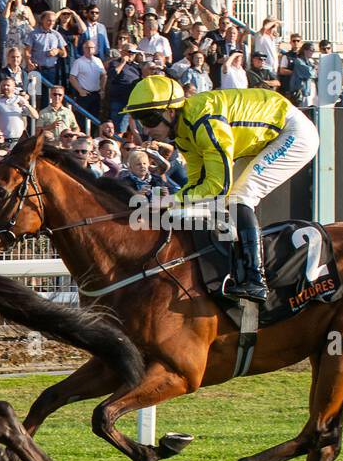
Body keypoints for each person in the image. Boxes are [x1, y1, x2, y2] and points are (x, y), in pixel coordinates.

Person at [124, 75, 318, 302]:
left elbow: (217, 186)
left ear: (170, 111)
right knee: (225, 200)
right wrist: (173, 201)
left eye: (149, 119)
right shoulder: (184, 133)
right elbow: (197, 182)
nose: (146, 129)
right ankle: (234, 268)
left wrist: (170, 201)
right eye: (140, 120)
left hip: (292, 132)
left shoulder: (203, 121)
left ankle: (255, 279)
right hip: (262, 138)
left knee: (239, 196)